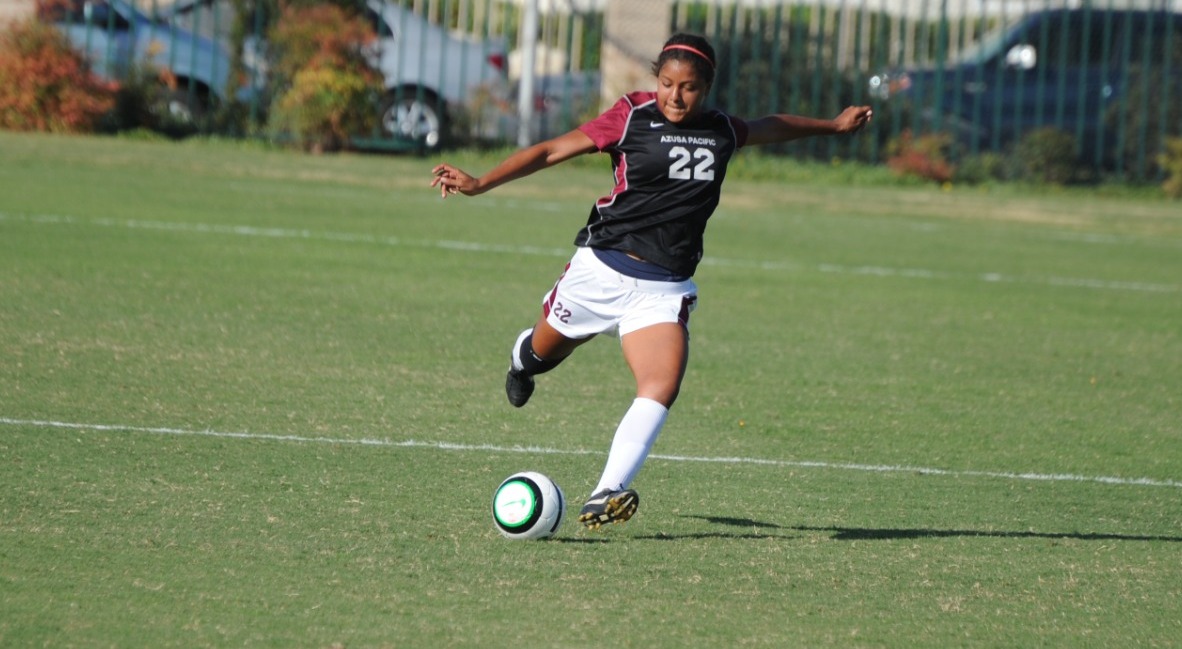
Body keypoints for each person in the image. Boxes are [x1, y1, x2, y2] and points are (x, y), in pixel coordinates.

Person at [430, 33, 872, 531]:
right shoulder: (631, 116)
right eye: (666, 83)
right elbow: (553, 149)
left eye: (688, 87)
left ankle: (606, 490)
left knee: (661, 385)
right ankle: (521, 361)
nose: (674, 96)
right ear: (656, 79)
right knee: (540, 353)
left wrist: (833, 125)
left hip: (662, 290)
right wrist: (480, 183)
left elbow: (769, 126)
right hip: (600, 273)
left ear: (706, 89)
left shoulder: (722, 129)